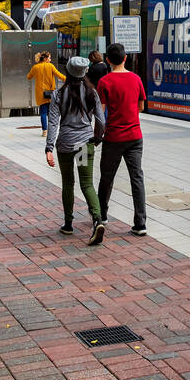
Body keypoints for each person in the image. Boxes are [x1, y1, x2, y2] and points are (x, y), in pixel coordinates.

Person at [45, 56, 107, 244]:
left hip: (65, 145)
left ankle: (68, 224)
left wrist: (48, 147)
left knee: (68, 183)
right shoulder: (92, 93)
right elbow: (101, 121)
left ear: (68, 72)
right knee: (87, 184)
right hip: (83, 145)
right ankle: (97, 220)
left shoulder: (58, 94)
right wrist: (97, 138)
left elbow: (53, 122)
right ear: (84, 73)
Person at [96, 42, 147, 235]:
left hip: (114, 137)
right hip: (135, 136)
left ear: (108, 60)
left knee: (107, 178)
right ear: (125, 58)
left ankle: (102, 215)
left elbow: (100, 114)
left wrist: (97, 134)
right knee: (137, 178)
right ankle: (140, 223)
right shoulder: (136, 79)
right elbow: (141, 107)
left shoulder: (105, 82)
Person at [27, 51, 66, 136]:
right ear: (45, 59)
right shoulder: (50, 66)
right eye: (49, 58)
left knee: (43, 113)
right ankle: (52, 130)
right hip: (50, 93)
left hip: (40, 94)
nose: (50, 59)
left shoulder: (35, 67)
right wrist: (68, 79)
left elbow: (29, 77)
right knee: (51, 112)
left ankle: (45, 131)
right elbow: (59, 75)